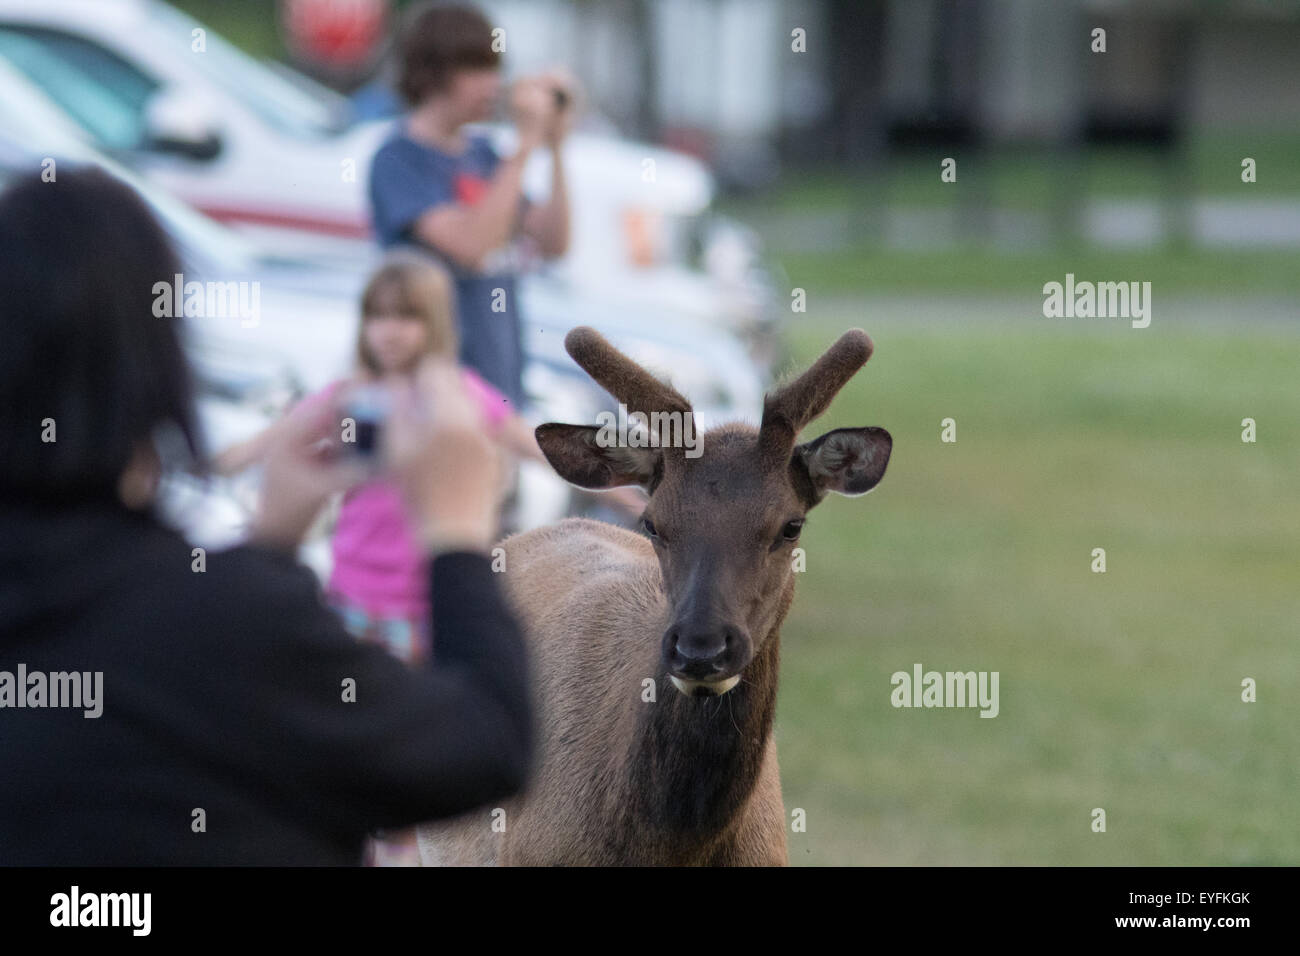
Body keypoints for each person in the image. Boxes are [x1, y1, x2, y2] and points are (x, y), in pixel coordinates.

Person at [0, 166, 533, 866]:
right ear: (157, 361)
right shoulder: (219, 622)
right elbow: (483, 746)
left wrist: (269, 547)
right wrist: (460, 534)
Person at [368, 1, 573, 411]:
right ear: (432, 73)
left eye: (495, 69)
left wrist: (555, 146)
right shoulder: (398, 159)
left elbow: (553, 241)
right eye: (476, 70)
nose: (493, 85)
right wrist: (525, 144)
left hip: (501, 391)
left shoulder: (485, 154)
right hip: (434, 402)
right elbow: (472, 246)